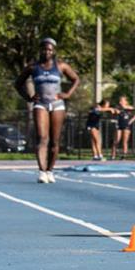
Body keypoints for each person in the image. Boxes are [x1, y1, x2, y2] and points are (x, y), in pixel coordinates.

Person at [18, 38, 79, 183]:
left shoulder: (61, 66)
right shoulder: (33, 67)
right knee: (42, 138)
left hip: (57, 104)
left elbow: (76, 79)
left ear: (54, 51)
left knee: (55, 141)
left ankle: (50, 170)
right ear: (40, 50)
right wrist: (28, 97)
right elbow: (18, 83)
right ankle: (42, 171)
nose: (47, 52)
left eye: (50, 50)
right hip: (40, 104)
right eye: (44, 49)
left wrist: (68, 94)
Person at [85, 97, 111, 161]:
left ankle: (95, 155)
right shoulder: (97, 107)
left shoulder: (101, 108)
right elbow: (99, 109)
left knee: (94, 141)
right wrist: (109, 109)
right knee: (97, 140)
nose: (108, 105)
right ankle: (100, 155)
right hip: (91, 125)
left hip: (95, 125)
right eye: (107, 104)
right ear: (104, 103)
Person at [115, 94, 135, 158]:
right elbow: (115, 112)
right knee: (117, 139)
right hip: (119, 125)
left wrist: (130, 121)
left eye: (122, 100)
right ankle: (115, 152)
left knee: (125, 141)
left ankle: (124, 155)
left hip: (126, 125)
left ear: (126, 101)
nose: (120, 102)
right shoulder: (118, 108)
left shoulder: (130, 108)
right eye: (120, 101)